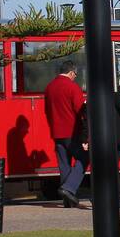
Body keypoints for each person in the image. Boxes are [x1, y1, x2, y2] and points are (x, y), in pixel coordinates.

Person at [76, 92, 120, 208]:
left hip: (98, 139)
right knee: (113, 169)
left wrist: (84, 140)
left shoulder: (89, 100)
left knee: (99, 169)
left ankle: (98, 199)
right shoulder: (114, 96)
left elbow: (86, 122)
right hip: (115, 139)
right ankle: (116, 199)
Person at [43, 61, 87, 208]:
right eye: (75, 75)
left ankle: (68, 200)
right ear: (71, 72)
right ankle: (69, 189)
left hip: (56, 132)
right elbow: (81, 110)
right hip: (72, 131)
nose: (75, 77)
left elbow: (47, 111)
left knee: (64, 165)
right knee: (83, 158)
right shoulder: (72, 87)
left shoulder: (49, 87)